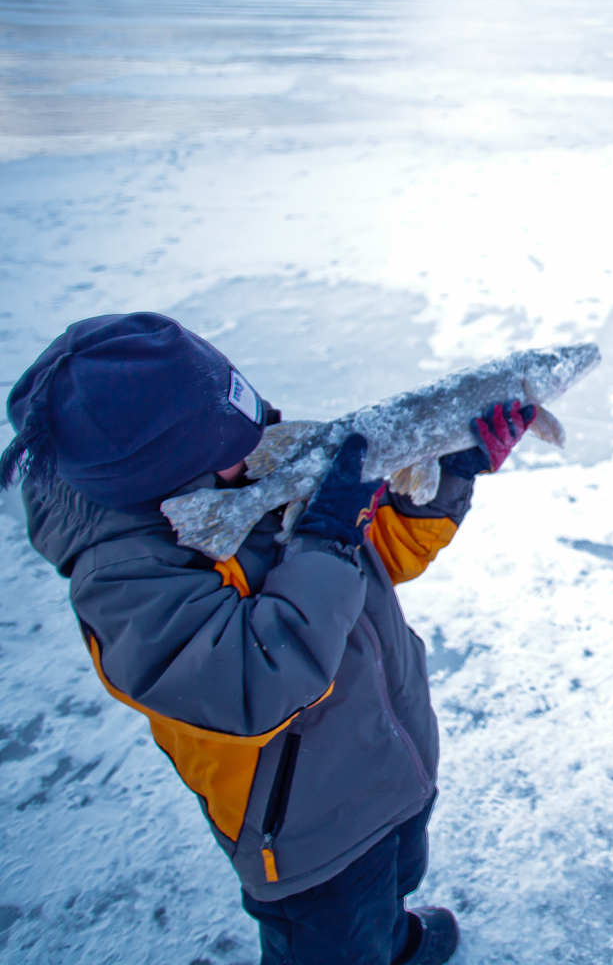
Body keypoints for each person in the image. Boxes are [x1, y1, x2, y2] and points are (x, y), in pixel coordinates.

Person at [0, 312, 536, 965]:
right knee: (332, 938)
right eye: (227, 442)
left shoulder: (244, 466)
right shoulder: (125, 575)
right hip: (304, 823)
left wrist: (447, 476)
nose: (255, 447)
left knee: (391, 880)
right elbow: (252, 683)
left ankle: (391, 943)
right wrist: (324, 536)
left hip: (388, 753)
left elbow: (371, 565)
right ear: (158, 465)